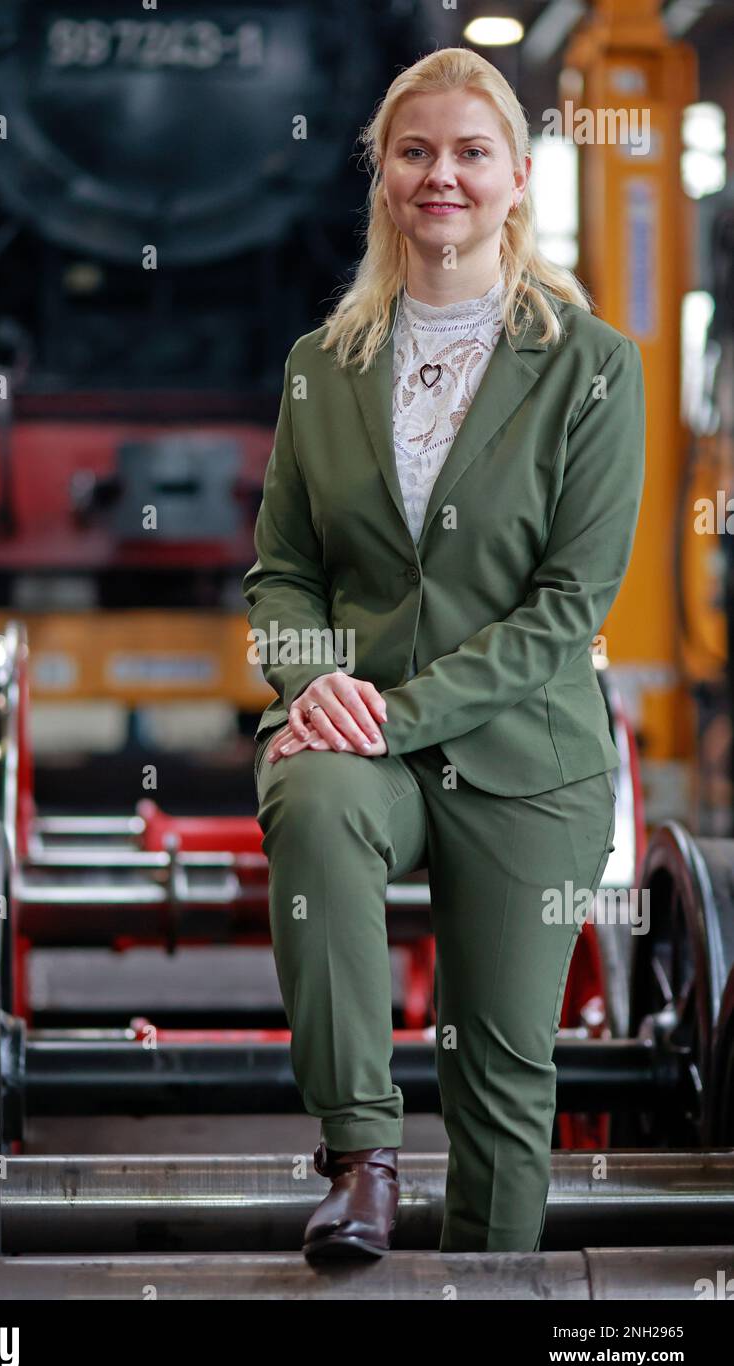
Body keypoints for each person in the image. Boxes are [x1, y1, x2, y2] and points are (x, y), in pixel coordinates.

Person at [242, 46, 645, 1260]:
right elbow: (282, 574)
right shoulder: (323, 369)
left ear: (517, 178)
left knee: (505, 1075)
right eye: (415, 152)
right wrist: (315, 684)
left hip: (525, 753)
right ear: (382, 174)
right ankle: (360, 1156)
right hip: (360, 744)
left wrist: (389, 709)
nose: (442, 177)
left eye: (471, 152)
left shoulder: (590, 368)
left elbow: (566, 605)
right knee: (310, 798)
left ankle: (495, 1285)